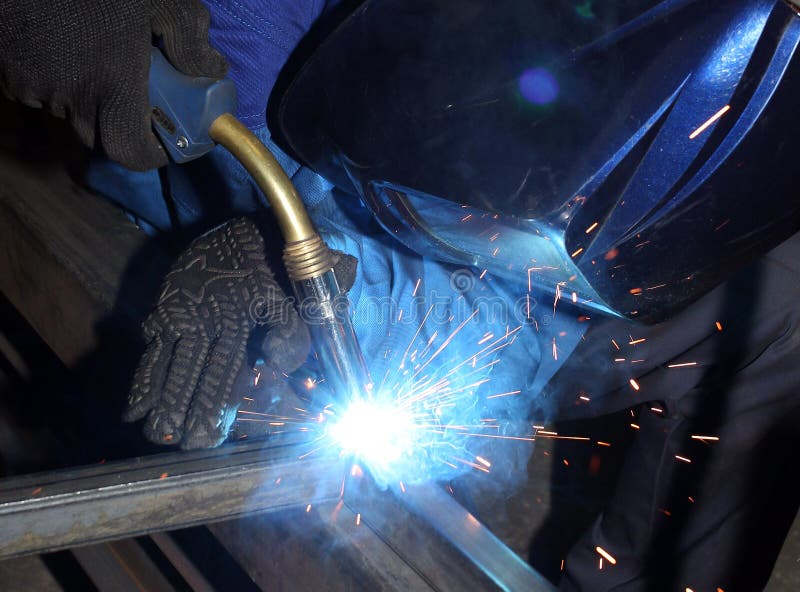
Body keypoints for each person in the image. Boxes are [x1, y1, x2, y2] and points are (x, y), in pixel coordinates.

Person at [1, 1, 798, 590]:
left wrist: (341, 293)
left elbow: (513, 317)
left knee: (784, 305)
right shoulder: (251, 49)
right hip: (248, 138)